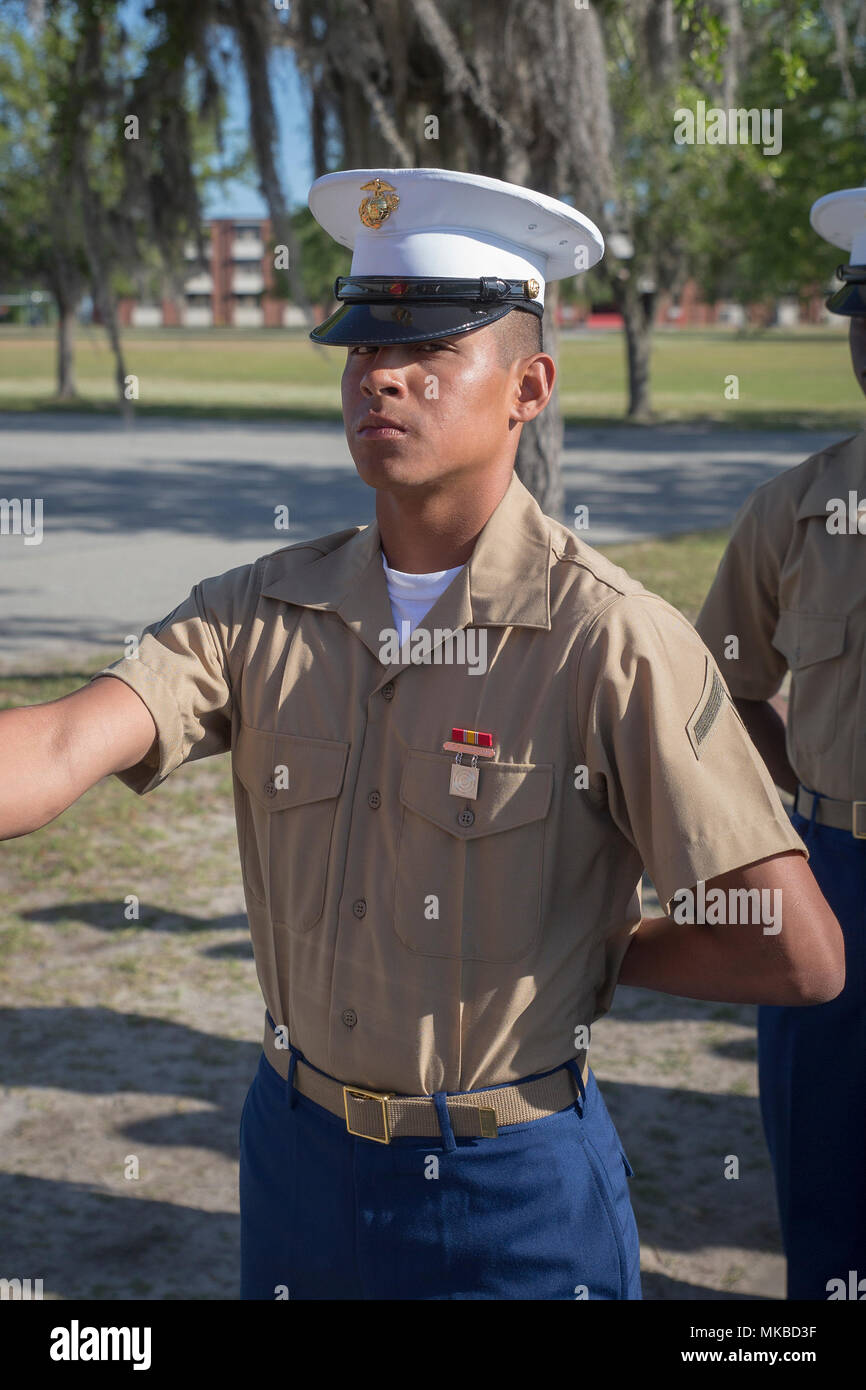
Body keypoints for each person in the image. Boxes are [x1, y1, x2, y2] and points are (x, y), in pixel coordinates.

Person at [0, 168, 844, 1302]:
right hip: (294, 1154)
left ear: (527, 387)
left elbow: (794, 949)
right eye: (360, 348)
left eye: (432, 352)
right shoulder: (256, 610)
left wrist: (591, 953)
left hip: (506, 1188)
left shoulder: (614, 641)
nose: (382, 376)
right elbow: (53, 753)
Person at [694, 186, 866, 1302]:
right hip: (836, 869)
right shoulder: (790, 510)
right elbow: (721, 674)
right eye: (862, 311)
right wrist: (800, 788)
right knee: (825, 1163)